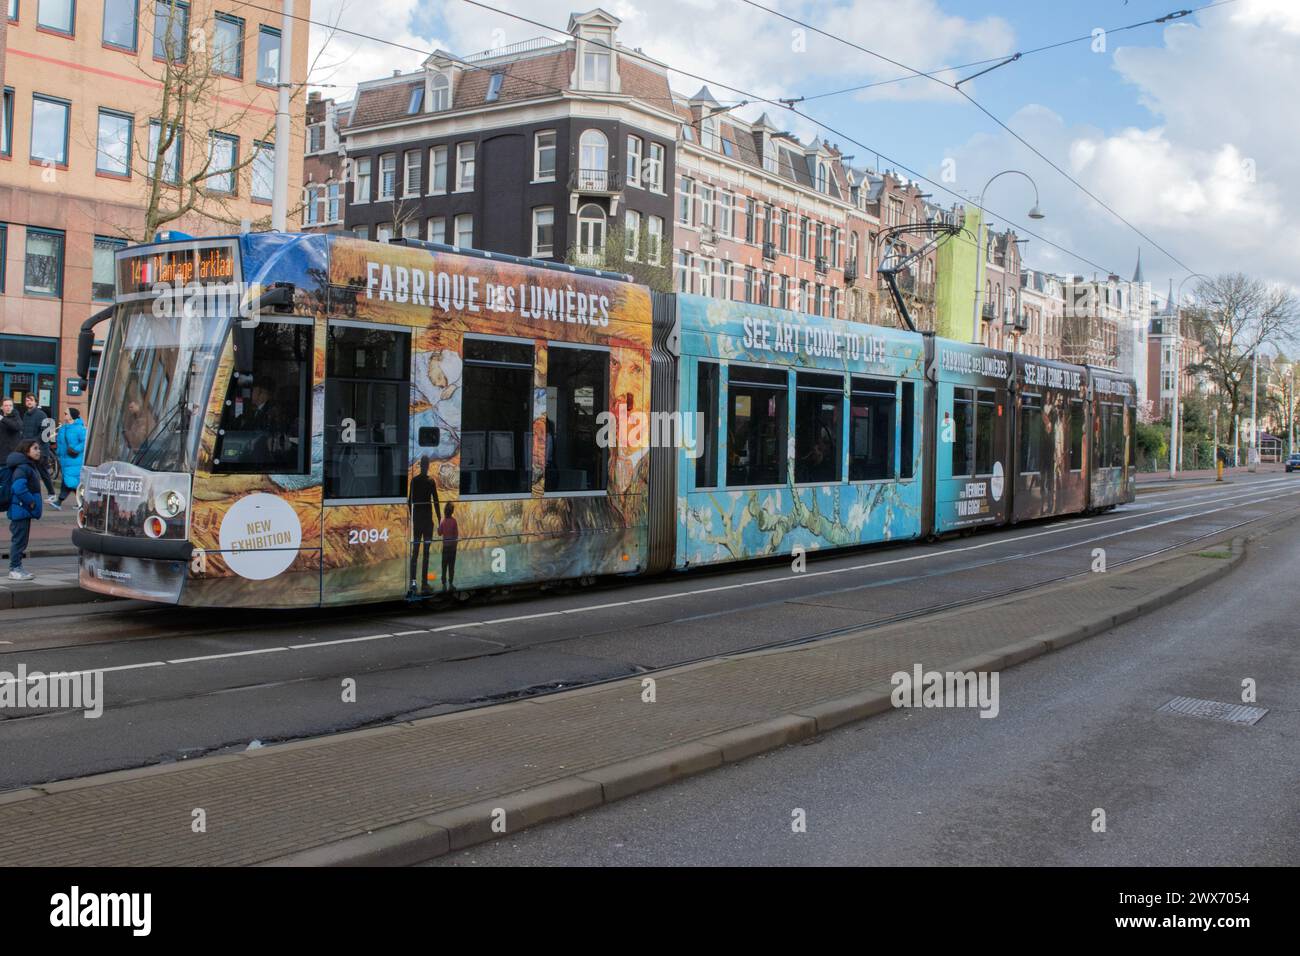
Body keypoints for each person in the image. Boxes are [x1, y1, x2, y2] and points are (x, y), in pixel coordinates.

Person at [5, 439, 45, 581]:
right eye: (35, 448)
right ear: (26, 450)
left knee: (21, 541)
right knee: (19, 541)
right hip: (20, 510)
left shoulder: (27, 465)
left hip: (22, 510)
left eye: (38, 448)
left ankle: (18, 568)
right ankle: (14, 569)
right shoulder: (23, 467)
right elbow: (18, 487)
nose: (38, 451)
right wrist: (32, 502)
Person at [408, 455, 442, 595]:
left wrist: (413, 517)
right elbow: (436, 502)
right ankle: (424, 583)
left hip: (418, 521)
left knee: (415, 552)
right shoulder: (430, 482)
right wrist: (440, 520)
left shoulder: (414, 481)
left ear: (420, 465)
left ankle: (413, 582)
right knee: (426, 553)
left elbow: (410, 502)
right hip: (428, 522)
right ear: (428, 465)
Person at [20, 394, 56, 497]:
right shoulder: (26, 415)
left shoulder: (41, 414)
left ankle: (51, 493)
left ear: (36, 402)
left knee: (43, 473)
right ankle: (33, 493)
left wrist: (33, 443)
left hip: (40, 450)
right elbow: (25, 431)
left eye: (31, 400)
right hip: (28, 450)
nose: (29, 402)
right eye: (27, 400)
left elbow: (46, 433)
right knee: (30, 472)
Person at [53, 408, 86, 509]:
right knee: (69, 481)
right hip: (64, 459)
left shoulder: (80, 428)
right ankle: (81, 502)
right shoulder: (63, 428)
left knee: (70, 481)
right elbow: (60, 442)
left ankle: (59, 502)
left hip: (74, 459)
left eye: (66, 413)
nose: (64, 415)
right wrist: (58, 452)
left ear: (72, 416)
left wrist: (75, 449)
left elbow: (85, 442)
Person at [439, 501, 459, 593]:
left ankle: (443, 583)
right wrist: (455, 546)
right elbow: (456, 536)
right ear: (452, 511)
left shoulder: (443, 522)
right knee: (451, 566)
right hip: (452, 548)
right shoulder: (454, 521)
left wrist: (438, 526)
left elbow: (439, 533)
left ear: (445, 511)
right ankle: (451, 583)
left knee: (444, 566)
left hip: (445, 548)